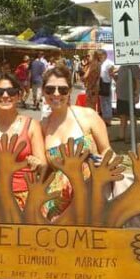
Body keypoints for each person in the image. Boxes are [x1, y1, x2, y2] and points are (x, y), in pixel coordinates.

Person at [41, 64, 111, 221]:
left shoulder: (87, 116)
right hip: (55, 207)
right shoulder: (44, 126)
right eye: (50, 89)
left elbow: (107, 150)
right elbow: (45, 169)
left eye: (62, 90)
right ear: (43, 92)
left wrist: (105, 161)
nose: (56, 94)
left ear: (70, 91)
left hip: (89, 197)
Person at [0, 72, 46, 209]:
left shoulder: (31, 125)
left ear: (19, 95)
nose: (5, 96)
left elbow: (43, 164)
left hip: (24, 196)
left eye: (11, 92)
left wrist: (37, 163)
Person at [114, 64, 140, 142]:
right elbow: (119, 79)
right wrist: (114, 77)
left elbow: (138, 81)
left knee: (132, 116)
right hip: (121, 96)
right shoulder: (122, 66)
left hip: (129, 96)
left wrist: (137, 94)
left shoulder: (134, 66)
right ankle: (121, 135)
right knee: (122, 116)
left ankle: (133, 136)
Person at [97, 49, 116, 126]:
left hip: (106, 84)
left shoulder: (109, 63)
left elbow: (112, 73)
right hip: (101, 84)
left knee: (107, 102)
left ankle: (108, 120)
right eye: (98, 56)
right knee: (103, 103)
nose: (99, 57)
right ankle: (105, 120)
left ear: (104, 55)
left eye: (100, 55)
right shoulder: (100, 63)